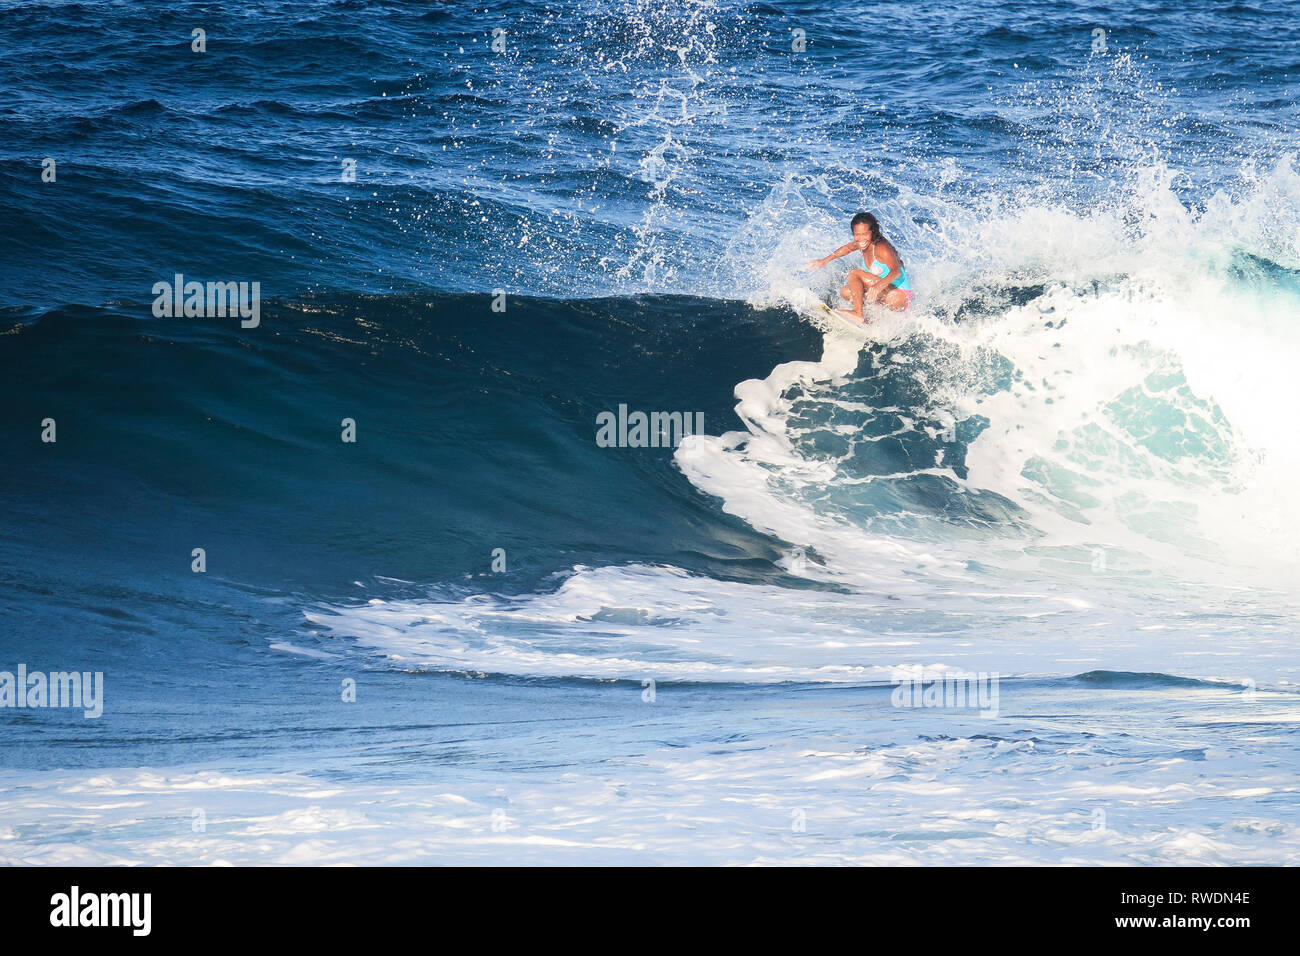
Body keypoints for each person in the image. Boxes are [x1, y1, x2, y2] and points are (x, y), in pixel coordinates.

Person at [807, 212, 912, 321]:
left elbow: (896, 272)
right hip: (885, 294)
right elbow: (847, 248)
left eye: (865, 234)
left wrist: (878, 286)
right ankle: (868, 319)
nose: (861, 239)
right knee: (846, 292)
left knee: (855, 273)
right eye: (857, 235)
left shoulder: (882, 248)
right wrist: (824, 261)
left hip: (899, 297)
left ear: (873, 232)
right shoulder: (862, 243)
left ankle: (858, 313)